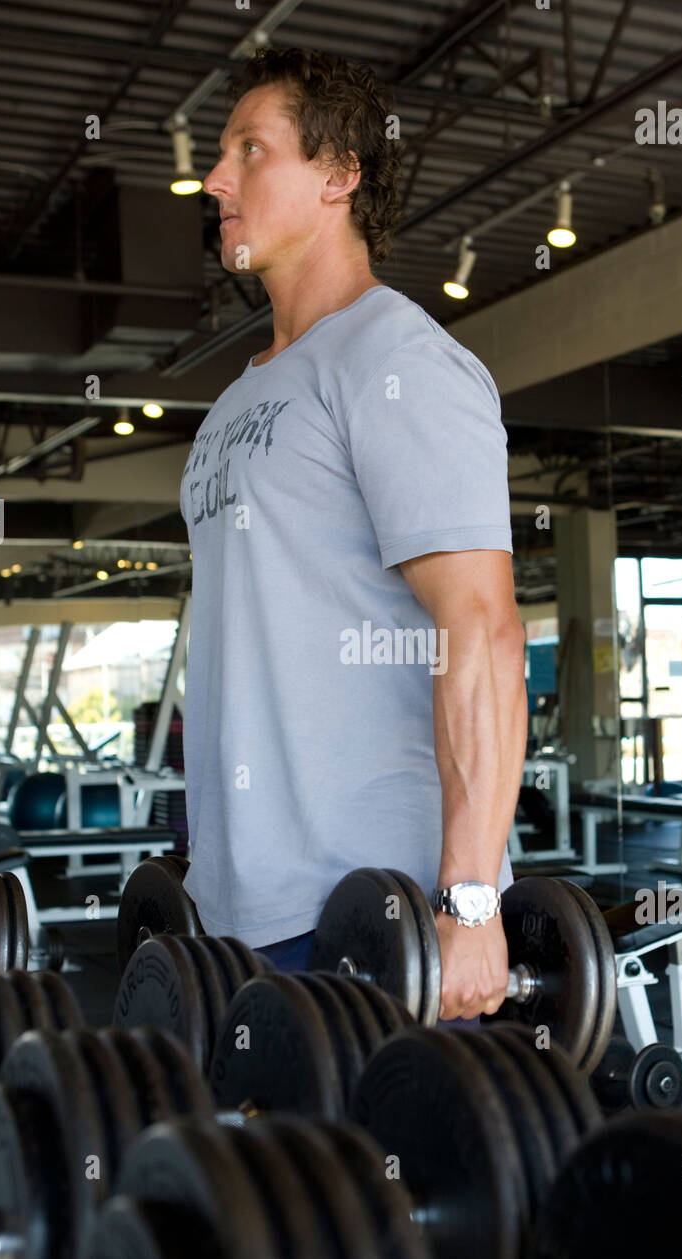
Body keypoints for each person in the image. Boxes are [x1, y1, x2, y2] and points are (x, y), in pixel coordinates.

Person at [180, 47, 527, 1020]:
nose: (215, 178)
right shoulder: (237, 402)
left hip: (373, 915)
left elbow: (482, 629)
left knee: (369, 1177)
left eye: (251, 149)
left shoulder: (394, 356)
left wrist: (468, 898)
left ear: (339, 175)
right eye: (219, 152)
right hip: (232, 914)